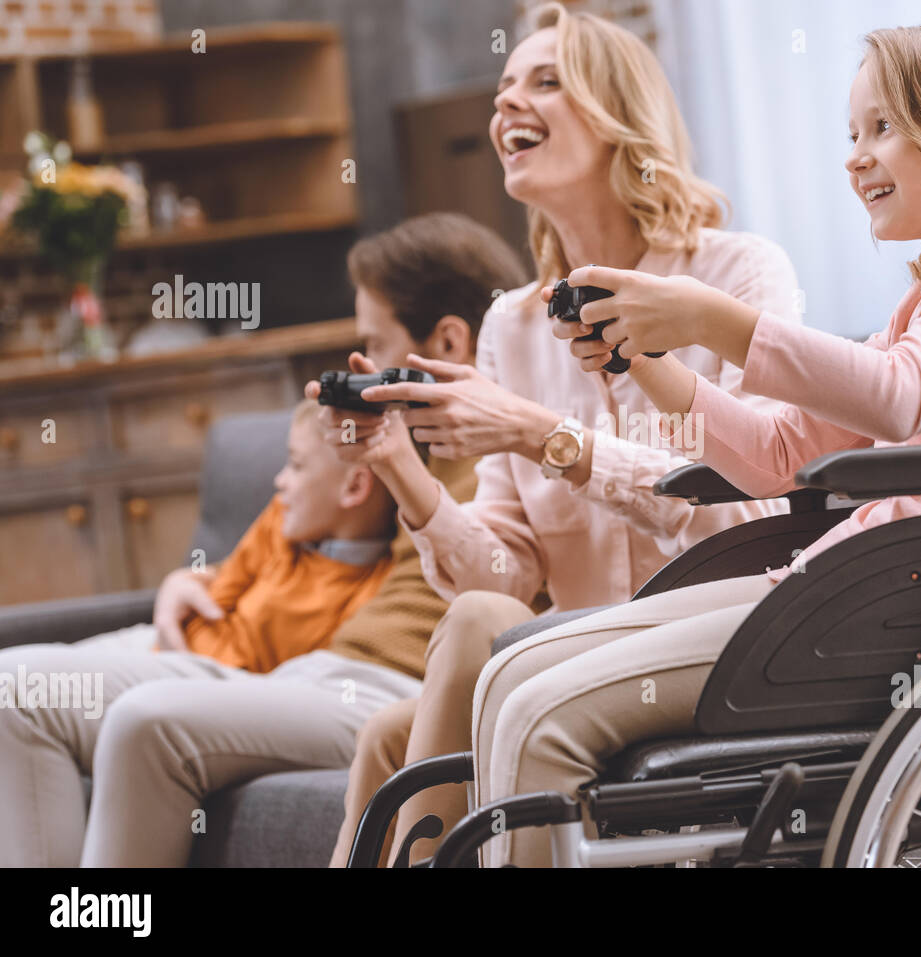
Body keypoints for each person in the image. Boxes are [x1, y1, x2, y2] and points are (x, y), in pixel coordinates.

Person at [470, 17, 921, 866]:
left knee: (537, 712)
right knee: (509, 673)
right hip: (877, 580)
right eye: (852, 134)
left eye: (882, 128)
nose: (856, 156)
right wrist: (649, 359)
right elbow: (778, 456)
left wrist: (717, 319)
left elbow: (903, 398)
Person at [325, 2, 803, 867]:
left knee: (447, 680)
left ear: (621, 118)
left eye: (546, 82)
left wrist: (550, 437)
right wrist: (403, 469)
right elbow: (508, 576)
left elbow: (756, 501)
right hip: (568, 653)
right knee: (398, 721)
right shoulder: (511, 324)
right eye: (504, 86)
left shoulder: (734, 275)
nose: (509, 103)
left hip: (714, 645)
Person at [0, 211, 527, 866]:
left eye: (374, 341)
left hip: (394, 689)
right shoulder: (413, 443)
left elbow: (508, 587)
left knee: (138, 720)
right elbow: (302, 527)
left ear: (448, 341)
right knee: (14, 687)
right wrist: (191, 577)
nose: (362, 369)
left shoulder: (510, 446)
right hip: (315, 671)